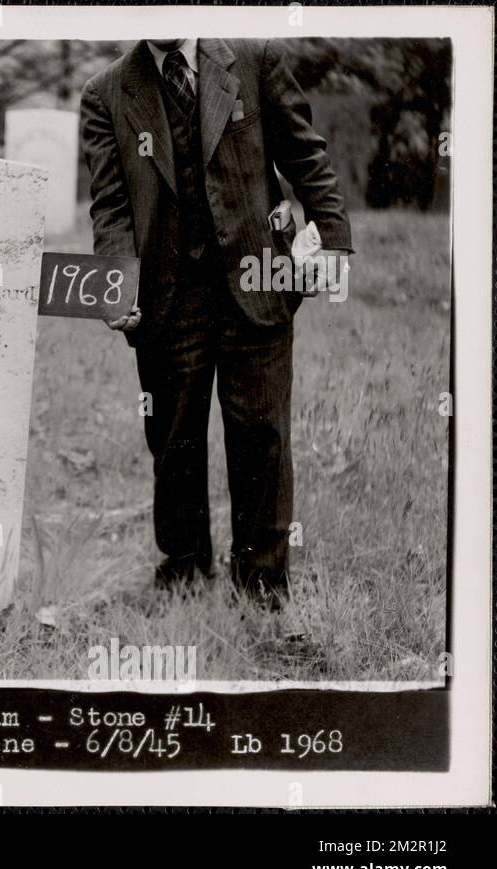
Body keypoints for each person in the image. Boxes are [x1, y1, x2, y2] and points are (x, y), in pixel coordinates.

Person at [80, 38, 352, 608]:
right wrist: (117, 280)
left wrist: (333, 240)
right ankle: (182, 570)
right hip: (165, 296)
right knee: (173, 438)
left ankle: (261, 588)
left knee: (262, 436)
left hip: (257, 280)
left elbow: (306, 155)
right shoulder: (105, 93)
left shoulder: (255, 61)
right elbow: (110, 206)